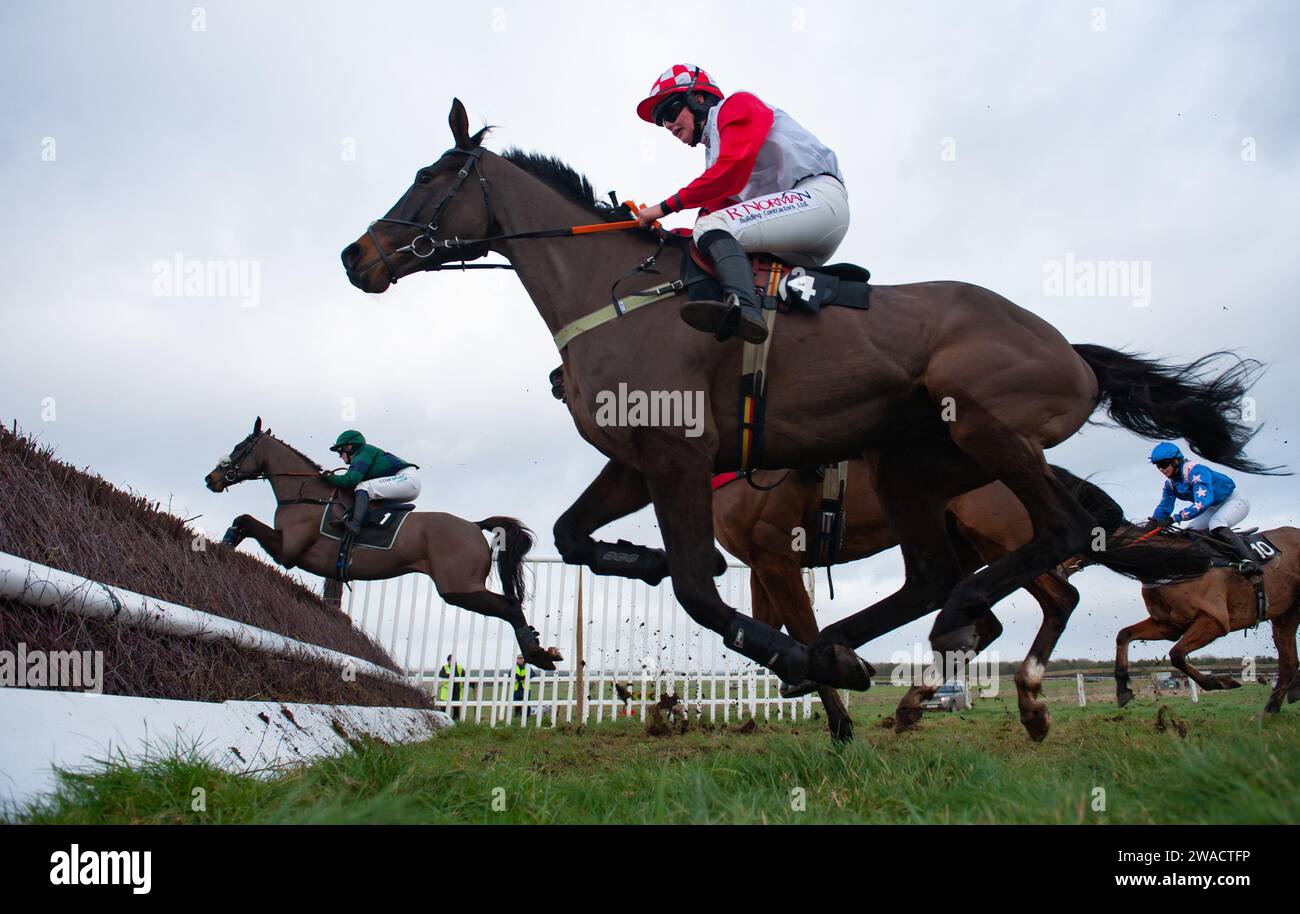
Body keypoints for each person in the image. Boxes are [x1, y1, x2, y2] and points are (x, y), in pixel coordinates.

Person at [634, 64, 849, 345]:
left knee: (713, 227)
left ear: (697, 98)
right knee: (705, 237)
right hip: (794, 237)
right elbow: (710, 217)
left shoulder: (736, 105)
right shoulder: (715, 154)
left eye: (670, 112)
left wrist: (663, 207)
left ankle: (746, 311)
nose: (669, 125)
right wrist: (665, 235)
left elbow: (730, 173)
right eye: (662, 122)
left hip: (819, 199)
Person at [1149, 442, 1259, 575]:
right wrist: (1152, 524)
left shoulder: (1196, 471)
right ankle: (1213, 561)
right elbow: (1164, 508)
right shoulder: (1170, 485)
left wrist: (1175, 518)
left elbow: (1202, 503)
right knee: (1189, 533)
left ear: (1176, 461)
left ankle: (1248, 561)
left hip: (1234, 501)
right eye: (1158, 466)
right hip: (1212, 508)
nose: (1162, 469)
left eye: (1164, 464)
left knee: (1216, 524)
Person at [322, 430, 420, 534]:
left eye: (340, 451)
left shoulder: (362, 452)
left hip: (406, 479)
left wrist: (329, 476)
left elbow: (350, 480)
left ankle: (355, 525)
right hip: (406, 483)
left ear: (349, 447)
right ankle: (397, 507)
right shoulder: (362, 454)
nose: (340, 456)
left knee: (363, 487)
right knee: (368, 494)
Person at [437, 654, 466, 720]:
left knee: (456, 709)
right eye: (450, 660)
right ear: (448, 661)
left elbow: (465, 677)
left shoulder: (460, 668)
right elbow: (441, 674)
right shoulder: (445, 667)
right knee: (443, 709)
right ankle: (443, 720)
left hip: (457, 691)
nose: (452, 662)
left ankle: (455, 721)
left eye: (453, 660)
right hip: (446, 692)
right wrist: (450, 675)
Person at [512, 654, 529, 721]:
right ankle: (517, 715)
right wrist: (517, 677)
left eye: (521, 658)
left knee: (526, 702)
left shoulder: (527, 666)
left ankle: (527, 716)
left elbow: (532, 674)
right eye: (519, 658)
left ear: (524, 659)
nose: (520, 659)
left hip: (525, 688)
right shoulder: (514, 667)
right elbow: (511, 674)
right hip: (516, 688)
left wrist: (524, 677)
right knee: (517, 702)